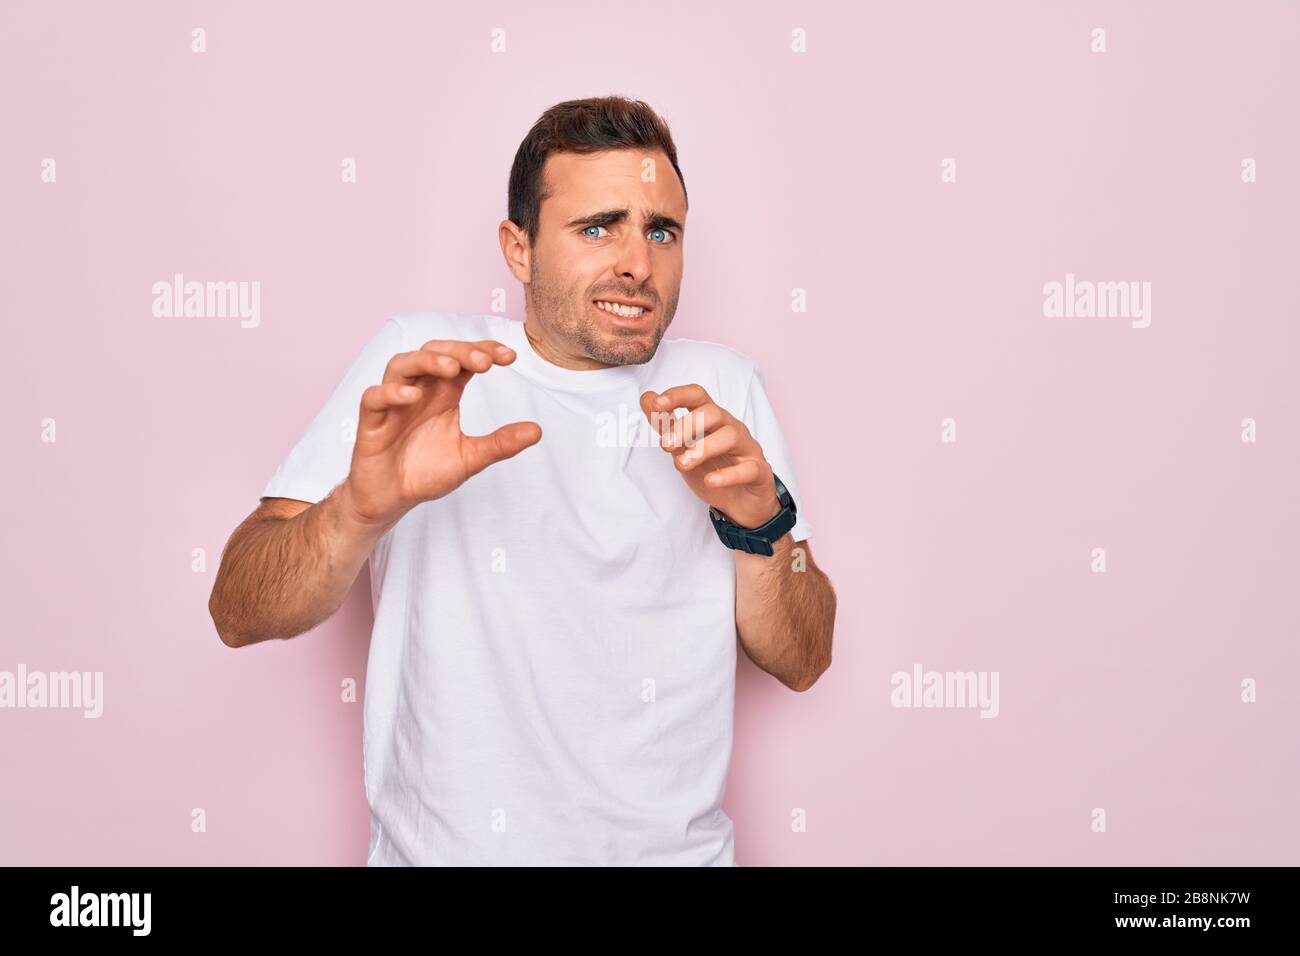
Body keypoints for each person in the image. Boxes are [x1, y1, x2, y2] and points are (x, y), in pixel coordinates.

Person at [209, 95, 837, 866]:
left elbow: (804, 659)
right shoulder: (427, 361)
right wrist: (359, 511)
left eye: (661, 230)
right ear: (519, 248)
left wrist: (762, 524)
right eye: (597, 226)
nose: (637, 263)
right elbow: (239, 610)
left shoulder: (725, 388)